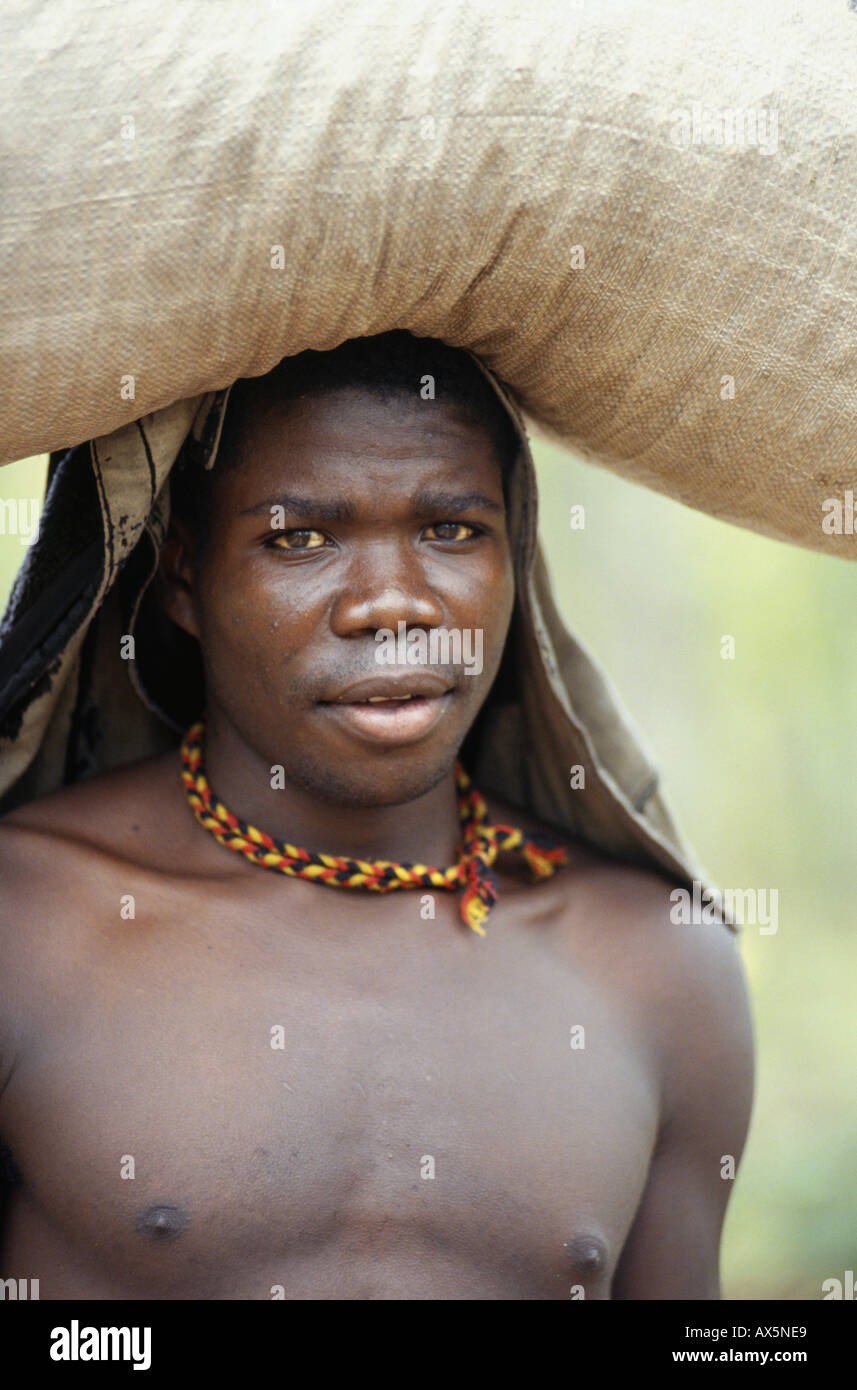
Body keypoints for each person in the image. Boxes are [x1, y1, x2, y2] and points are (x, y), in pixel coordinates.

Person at [0, 332, 754, 1299]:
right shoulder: (28, 922)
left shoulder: (657, 963)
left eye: (451, 531)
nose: (391, 603)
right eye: (298, 538)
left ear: (513, 560)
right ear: (183, 576)